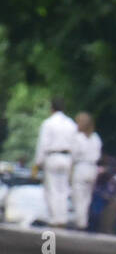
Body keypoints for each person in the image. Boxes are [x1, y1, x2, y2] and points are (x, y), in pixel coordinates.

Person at [33, 96, 78, 227]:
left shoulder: (48, 123)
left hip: (52, 156)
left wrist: (38, 162)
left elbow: (43, 144)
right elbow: (75, 144)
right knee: (63, 189)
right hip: (66, 157)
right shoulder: (71, 124)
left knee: (52, 188)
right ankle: (62, 218)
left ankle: (54, 218)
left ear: (52, 108)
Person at [70, 112, 102, 230]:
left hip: (81, 167)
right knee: (87, 197)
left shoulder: (78, 138)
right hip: (93, 168)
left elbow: (73, 155)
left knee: (78, 196)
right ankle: (83, 220)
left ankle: (80, 223)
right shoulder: (96, 138)